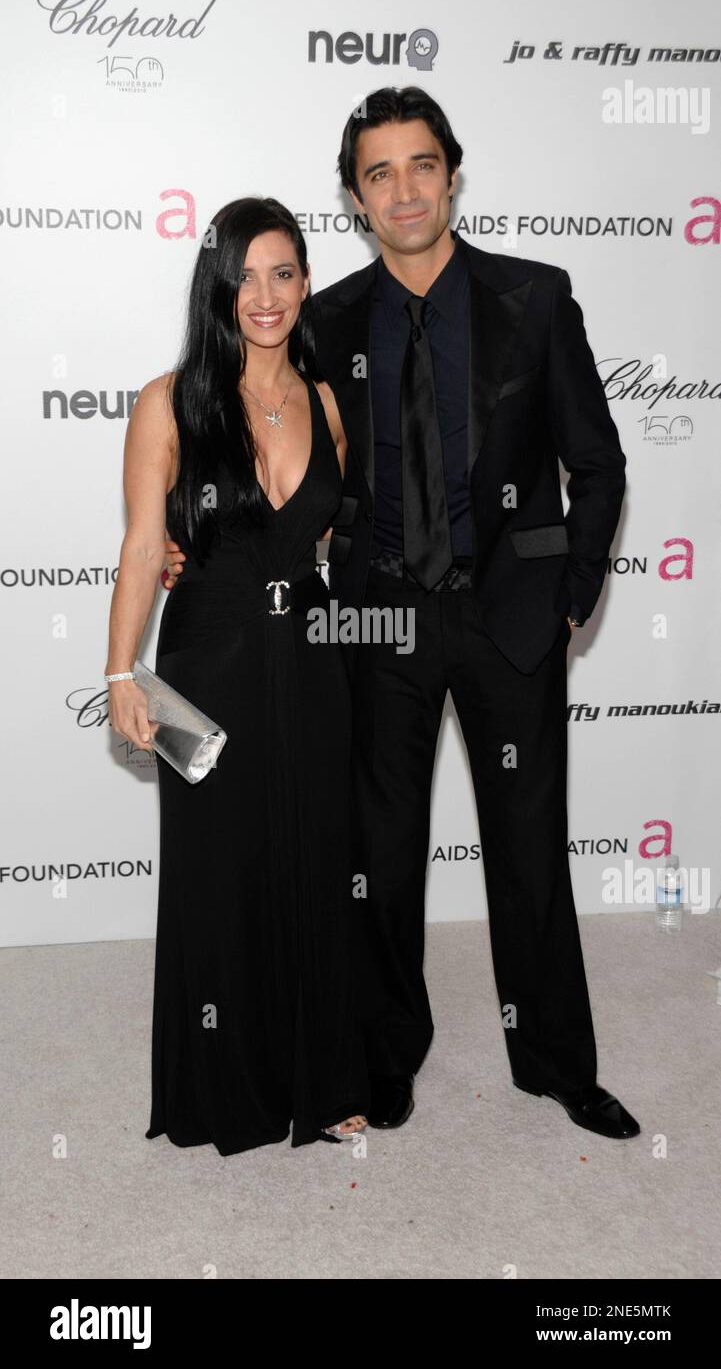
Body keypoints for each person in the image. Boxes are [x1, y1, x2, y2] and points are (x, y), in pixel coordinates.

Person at [163, 88, 640, 1141]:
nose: (404, 189)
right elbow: (254, 431)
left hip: (509, 616)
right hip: (377, 627)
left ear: (452, 174)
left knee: (528, 848)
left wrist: (567, 598)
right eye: (378, 174)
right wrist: (184, 534)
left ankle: (557, 1063)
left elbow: (596, 463)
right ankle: (380, 1063)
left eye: (420, 165)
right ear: (354, 197)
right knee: (375, 861)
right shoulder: (325, 319)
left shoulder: (536, 296)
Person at [105, 196, 369, 1156]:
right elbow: (143, 546)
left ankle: (323, 1078)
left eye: (285, 273)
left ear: (305, 282)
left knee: (313, 861)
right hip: (207, 663)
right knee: (222, 874)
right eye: (246, 276)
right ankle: (224, 1090)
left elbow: (327, 536)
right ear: (218, 286)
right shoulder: (167, 401)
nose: (266, 296)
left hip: (309, 661)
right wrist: (120, 673)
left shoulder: (329, 401)